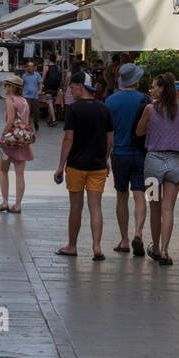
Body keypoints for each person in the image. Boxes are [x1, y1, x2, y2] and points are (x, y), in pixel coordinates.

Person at [135, 72, 179, 266]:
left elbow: (139, 131)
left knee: (154, 207)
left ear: (161, 89)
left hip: (152, 162)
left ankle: (155, 247)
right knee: (168, 208)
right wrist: (177, 132)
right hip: (172, 162)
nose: (152, 89)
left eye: (154, 87)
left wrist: (154, 131)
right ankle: (165, 250)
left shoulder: (150, 109)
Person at [55, 73, 113, 260]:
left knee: (76, 207)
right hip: (97, 165)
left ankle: (72, 245)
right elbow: (110, 140)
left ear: (80, 86)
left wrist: (60, 166)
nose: (70, 91)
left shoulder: (74, 109)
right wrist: (104, 159)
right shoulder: (104, 109)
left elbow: (68, 138)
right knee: (96, 206)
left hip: (77, 165)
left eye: (72, 87)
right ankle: (97, 246)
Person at [106, 63, 148, 255]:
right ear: (136, 81)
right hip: (140, 154)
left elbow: (108, 133)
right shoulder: (146, 100)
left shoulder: (111, 101)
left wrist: (105, 157)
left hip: (119, 154)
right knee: (140, 194)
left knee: (121, 195)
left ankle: (123, 240)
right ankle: (138, 232)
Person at [0, 75, 34, 213]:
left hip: (10, 141)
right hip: (22, 141)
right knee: (20, 174)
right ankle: (18, 204)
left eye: (6, 85)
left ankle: (5, 201)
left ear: (11, 87)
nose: (4, 88)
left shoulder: (10, 100)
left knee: (3, 170)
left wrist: (0, 137)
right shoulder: (24, 101)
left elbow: (10, 121)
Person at [20, 59, 42, 136]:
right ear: (27, 68)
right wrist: (22, 93)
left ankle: (36, 123)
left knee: (36, 111)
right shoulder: (24, 76)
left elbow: (40, 83)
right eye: (28, 67)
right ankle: (27, 125)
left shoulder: (37, 75)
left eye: (31, 66)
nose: (30, 68)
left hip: (35, 96)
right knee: (27, 111)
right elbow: (21, 85)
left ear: (34, 68)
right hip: (26, 96)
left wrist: (40, 90)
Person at [42, 52, 62, 126]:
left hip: (48, 87)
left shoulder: (46, 67)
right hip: (56, 88)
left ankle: (54, 119)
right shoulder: (58, 67)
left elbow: (43, 78)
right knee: (52, 103)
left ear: (49, 59)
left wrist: (41, 87)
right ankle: (49, 119)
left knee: (50, 103)